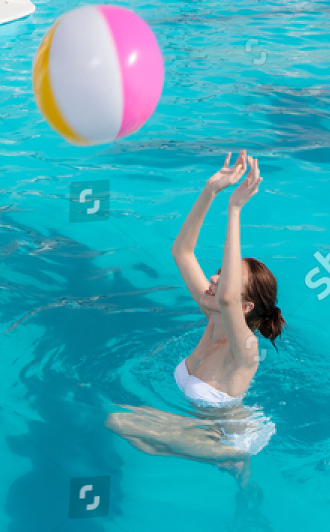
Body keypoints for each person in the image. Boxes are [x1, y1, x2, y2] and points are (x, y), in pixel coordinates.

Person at [106, 152, 285, 480]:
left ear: (245, 307)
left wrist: (234, 209)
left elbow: (228, 297)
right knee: (128, 429)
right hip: (200, 428)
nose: (214, 279)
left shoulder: (244, 350)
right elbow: (181, 252)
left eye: (224, 278)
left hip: (229, 440)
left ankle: (229, 460)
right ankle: (182, 450)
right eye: (219, 272)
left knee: (120, 421)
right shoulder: (212, 314)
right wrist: (211, 191)